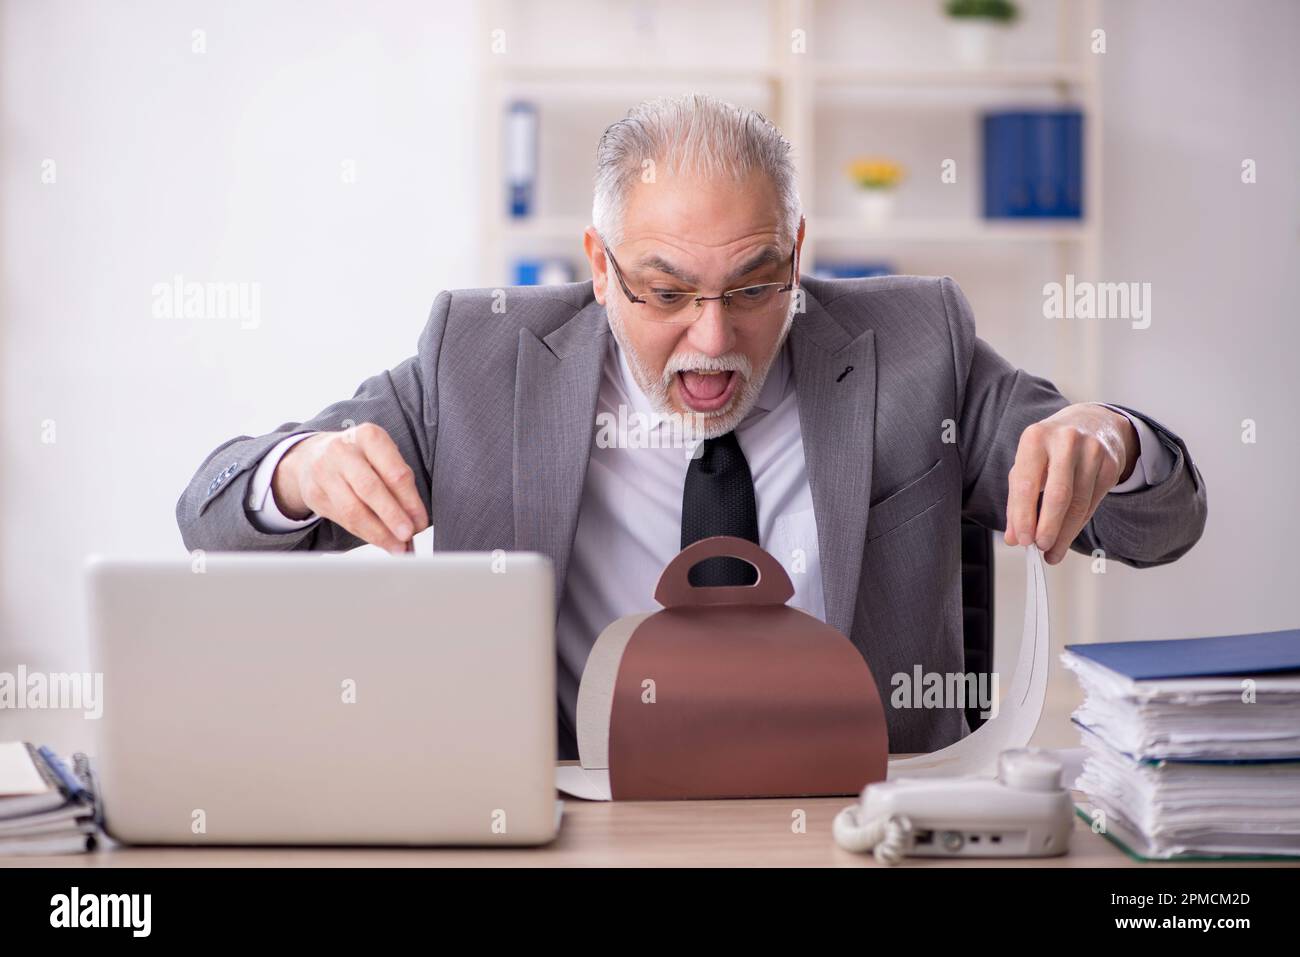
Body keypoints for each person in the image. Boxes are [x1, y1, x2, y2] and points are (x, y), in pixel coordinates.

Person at [177, 94, 1206, 758]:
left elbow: (1161, 524)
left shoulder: (914, 345)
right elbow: (210, 509)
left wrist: (1110, 442)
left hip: (866, 821)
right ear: (597, 262)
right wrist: (303, 470)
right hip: (572, 816)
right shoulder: (480, 361)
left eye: (755, 287)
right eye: (664, 293)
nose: (711, 339)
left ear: (796, 253)